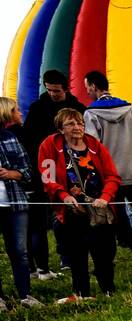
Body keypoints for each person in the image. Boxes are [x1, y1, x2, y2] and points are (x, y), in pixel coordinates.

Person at [38, 107, 122, 303]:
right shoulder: (49, 145)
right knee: (76, 252)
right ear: (61, 128)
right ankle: (82, 293)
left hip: (99, 207)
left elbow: (112, 176)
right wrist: (63, 195)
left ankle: (108, 289)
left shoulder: (95, 145)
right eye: (71, 124)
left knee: (105, 251)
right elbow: (47, 177)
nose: (77, 127)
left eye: (80, 123)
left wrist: (105, 196)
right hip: (72, 209)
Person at [83, 70, 132, 273]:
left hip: (111, 178)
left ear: (94, 87)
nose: (87, 91)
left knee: (118, 222)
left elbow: (92, 146)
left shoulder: (91, 114)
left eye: (87, 87)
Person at [22, 70, 84, 281]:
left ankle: (68, 256)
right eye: (48, 90)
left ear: (65, 88)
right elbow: (29, 139)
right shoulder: (38, 109)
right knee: (40, 219)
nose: (52, 94)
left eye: (56, 91)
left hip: (73, 169)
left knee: (69, 213)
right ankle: (39, 265)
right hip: (45, 167)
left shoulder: (77, 109)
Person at [0, 97, 36, 307]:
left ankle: (25, 295)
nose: (19, 112)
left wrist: (12, 173)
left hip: (15, 204)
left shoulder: (10, 138)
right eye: (15, 110)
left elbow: (28, 171)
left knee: (20, 251)